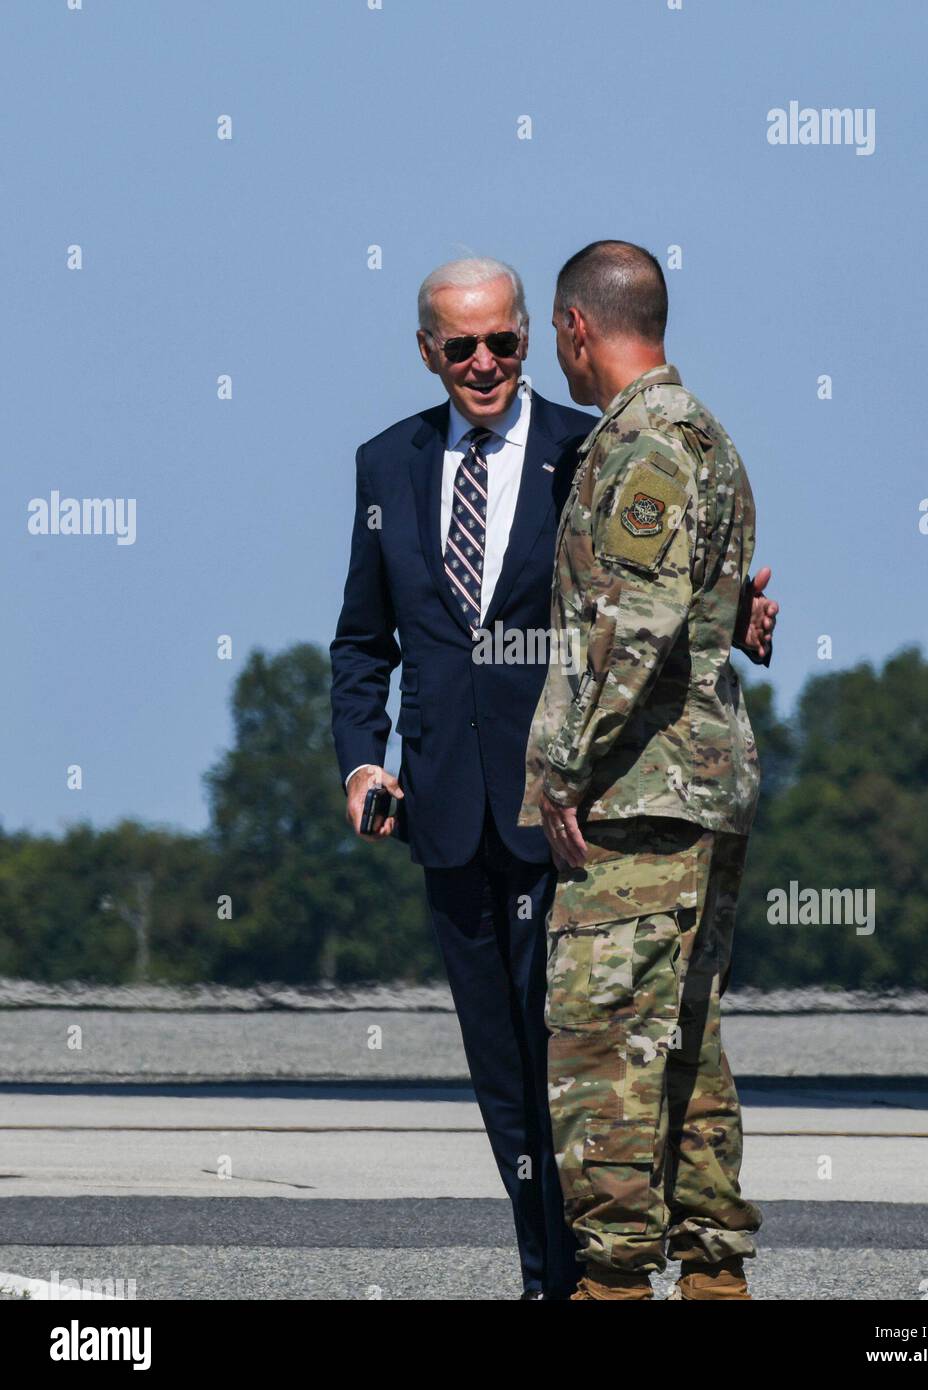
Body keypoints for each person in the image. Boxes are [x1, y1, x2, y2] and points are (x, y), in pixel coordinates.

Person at [330, 256, 777, 1300]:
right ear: (426, 352)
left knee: (592, 1066)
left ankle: (608, 1276)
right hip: (446, 808)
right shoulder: (385, 466)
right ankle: (551, 1277)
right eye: (461, 347)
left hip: (574, 820)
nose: (484, 363)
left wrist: (733, 623)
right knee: (509, 1079)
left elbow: (647, 594)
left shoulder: (599, 443)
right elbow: (363, 639)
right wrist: (363, 758)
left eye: (504, 341)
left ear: (547, 333)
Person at [519, 240, 766, 1301]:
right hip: (695, 794)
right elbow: (707, 609)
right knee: (685, 1046)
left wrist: (564, 775)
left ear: (577, 329)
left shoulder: (647, 449)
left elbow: (632, 627)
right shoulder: (703, 435)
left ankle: (615, 1285)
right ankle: (712, 1274)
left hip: (640, 799)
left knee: (604, 1053)